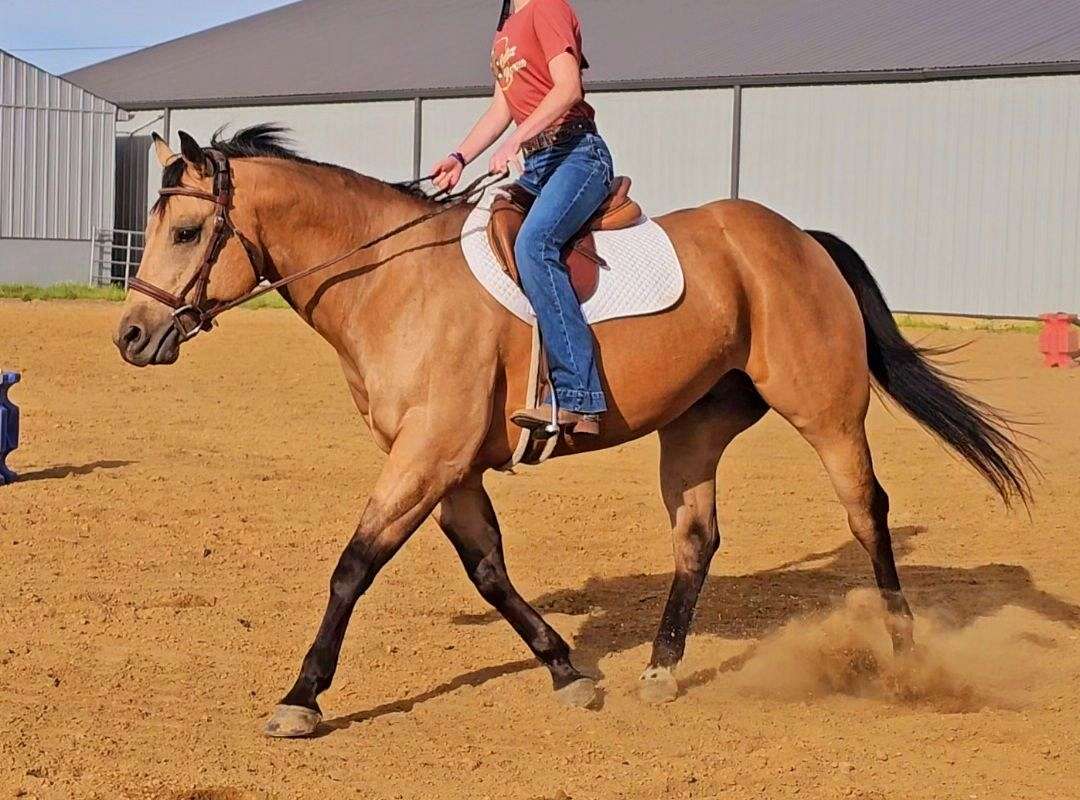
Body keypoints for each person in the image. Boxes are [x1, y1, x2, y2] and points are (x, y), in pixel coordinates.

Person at [432, 0, 614, 436]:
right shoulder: (505, 32)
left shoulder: (548, 8)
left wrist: (517, 140)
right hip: (539, 165)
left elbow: (568, 88)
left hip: (578, 156)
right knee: (477, 229)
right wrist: (460, 156)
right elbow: (501, 108)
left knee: (535, 245)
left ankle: (578, 397)